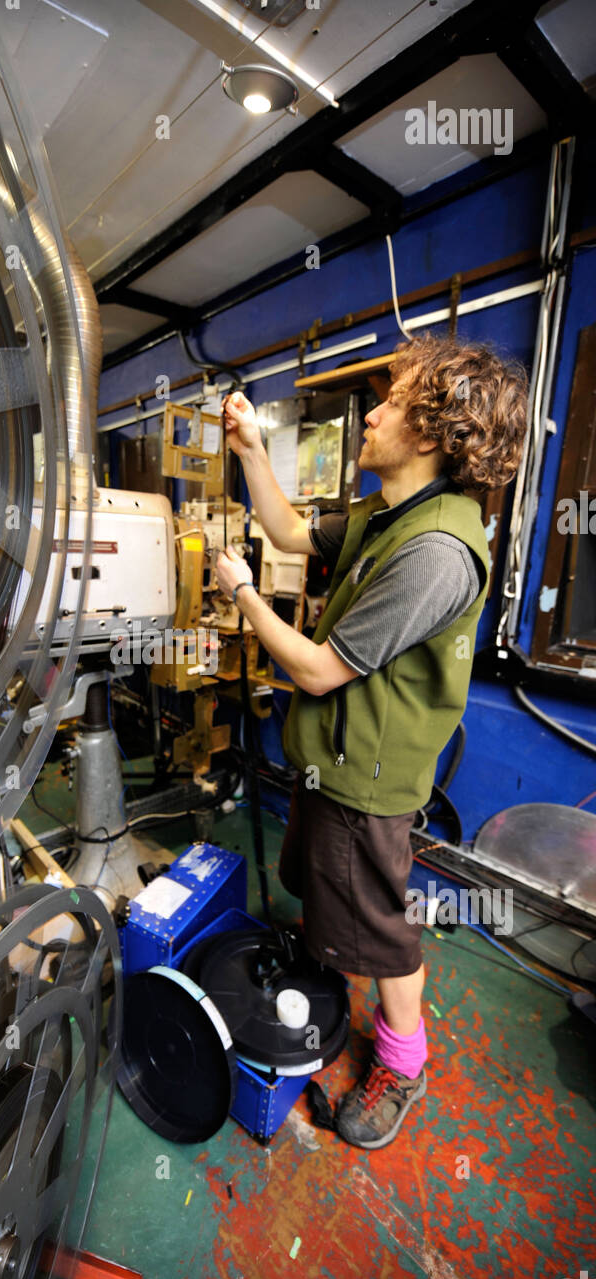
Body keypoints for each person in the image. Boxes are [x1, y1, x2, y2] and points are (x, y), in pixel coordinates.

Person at [215, 334, 528, 1148]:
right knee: (333, 897)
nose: (375, 412)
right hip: (330, 765)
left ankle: (402, 1061)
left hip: (368, 782)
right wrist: (251, 450)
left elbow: (319, 671)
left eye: (392, 401)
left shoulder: (434, 552)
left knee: (385, 933)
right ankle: (331, 967)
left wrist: (245, 597)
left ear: (430, 434)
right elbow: (284, 530)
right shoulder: (392, 515)